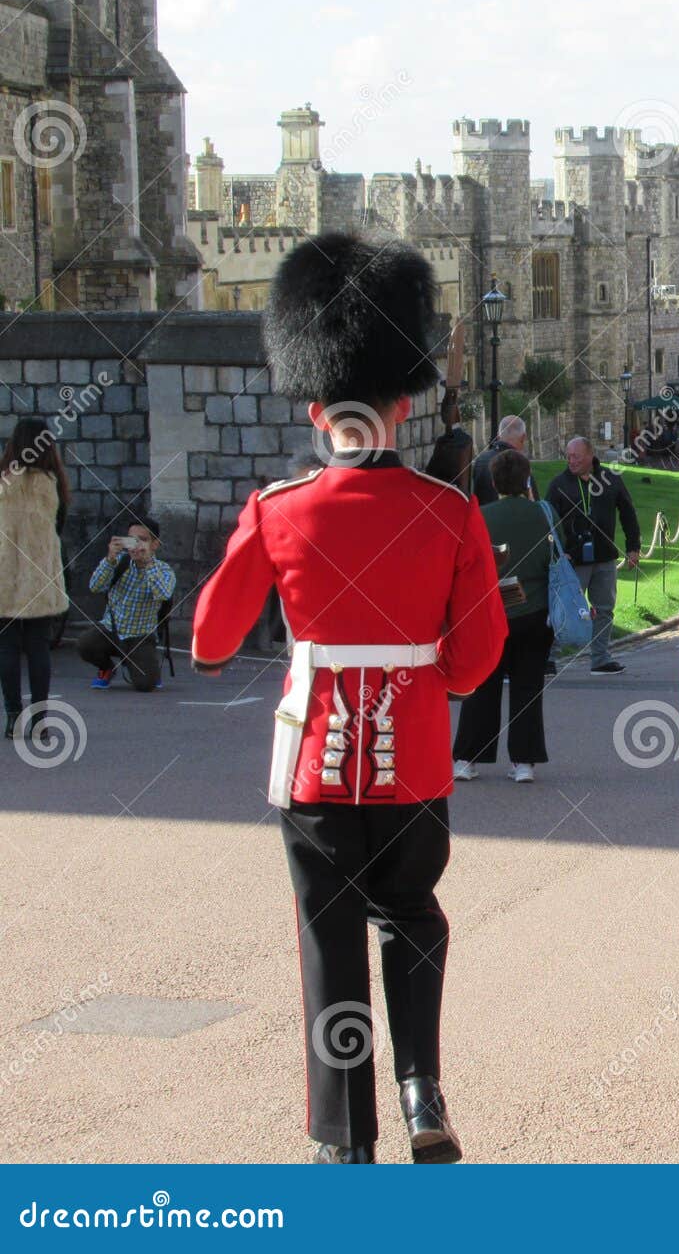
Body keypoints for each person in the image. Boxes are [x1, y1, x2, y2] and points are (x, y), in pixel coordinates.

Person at [190, 232, 507, 1164]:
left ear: (316, 407)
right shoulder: (450, 512)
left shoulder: (278, 510)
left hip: (313, 764)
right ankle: (421, 1093)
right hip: (412, 760)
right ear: (404, 404)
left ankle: (344, 1134)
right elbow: (476, 658)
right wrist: (420, 678)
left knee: (330, 938)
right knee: (412, 915)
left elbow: (210, 640)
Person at [453, 449, 555, 784]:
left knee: (483, 685)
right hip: (535, 610)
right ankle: (523, 761)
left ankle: (468, 757)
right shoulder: (543, 514)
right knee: (528, 687)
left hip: (490, 610)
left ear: (494, 482)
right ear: (526, 480)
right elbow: (553, 558)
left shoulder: (481, 516)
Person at [544, 437, 642, 674]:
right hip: (572, 561)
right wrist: (557, 554)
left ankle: (600, 658)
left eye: (576, 456)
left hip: (605, 557)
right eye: (568, 456)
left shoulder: (610, 479)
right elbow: (547, 523)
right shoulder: (558, 485)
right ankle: (548, 659)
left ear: (590, 455)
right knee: (564, 609)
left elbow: (628, 513)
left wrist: (633, 547)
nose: (571, 461)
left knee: (604, 608)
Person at [1, 417, 70, 739]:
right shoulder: (52, 481)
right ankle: (40, 718)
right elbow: (60, 527)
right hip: (39, 573)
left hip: (4, 573)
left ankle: (13, 715)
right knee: (38, 647)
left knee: (7, 647)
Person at [78, 517, 176, 692]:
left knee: (146, 685)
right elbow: (95, 586)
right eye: (132, 539)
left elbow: (163, 593)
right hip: (111, 630)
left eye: (143, 540)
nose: (136, 545)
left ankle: (141, 664)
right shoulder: (119, 562)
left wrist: (147, 563)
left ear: (155, 545)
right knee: (85, 644)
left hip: (140, 636)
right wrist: (109, 559)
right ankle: (106, 668)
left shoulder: (163, 570)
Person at [471, 414, 527, 507]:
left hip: (481, 517)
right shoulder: (519, 463)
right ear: (523, 437)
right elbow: (531, 504)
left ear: (498, 435)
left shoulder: (480, 460)